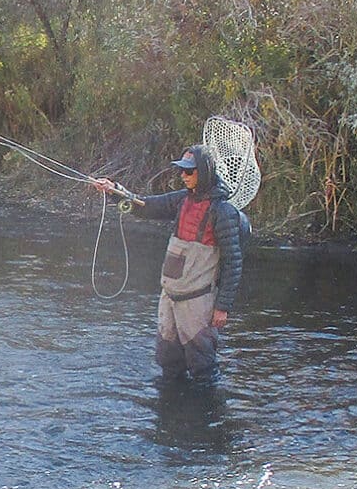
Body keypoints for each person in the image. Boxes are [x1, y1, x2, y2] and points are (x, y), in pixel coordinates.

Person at [94, 144, 244, 380]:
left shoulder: (222, 212)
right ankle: (169, 412)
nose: (183, 176)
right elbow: (144, 206)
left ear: (204, 172)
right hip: (170, 297)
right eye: (182, 171)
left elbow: (233, 261)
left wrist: (222, 307)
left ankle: (205, 413)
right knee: (167, 360)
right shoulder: (181, 200)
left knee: (202, 366)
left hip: (199, 301)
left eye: (189, 171)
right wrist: (114, 191)